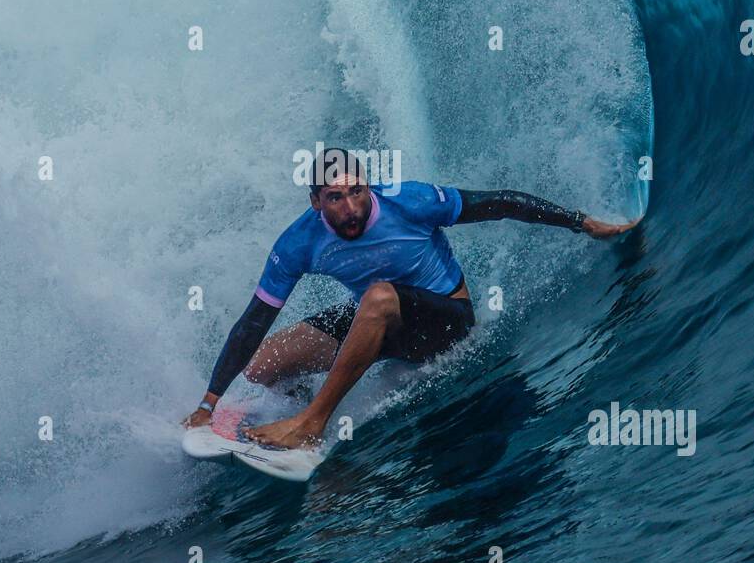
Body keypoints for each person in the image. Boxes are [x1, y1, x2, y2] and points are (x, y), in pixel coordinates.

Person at [183, 147, 641, 448]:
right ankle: (289, 414)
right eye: (335, 198)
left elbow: (502, 203)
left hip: (446, 320)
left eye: (357, 192)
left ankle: (311, 423)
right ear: (315, 201)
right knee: (264, 361)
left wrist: (583, 223)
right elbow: (253, 321)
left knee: (380, 296)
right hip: (382, 326)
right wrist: (208, 404)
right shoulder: (296, 244)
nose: (350, 207)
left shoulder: (412, 201)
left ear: (369, 185)